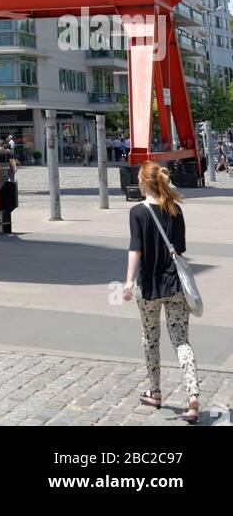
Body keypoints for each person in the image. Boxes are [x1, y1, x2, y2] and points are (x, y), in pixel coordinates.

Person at [122, 161, 200, 425]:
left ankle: (155, 392)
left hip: (150, 288)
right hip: (175, 285)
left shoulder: (137, 212)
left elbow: (136, 248)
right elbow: (180, 248)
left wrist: (128, 281)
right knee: (181, 341)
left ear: (144, 182)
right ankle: (193, 397)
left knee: (150, 338)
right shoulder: (175, 209)